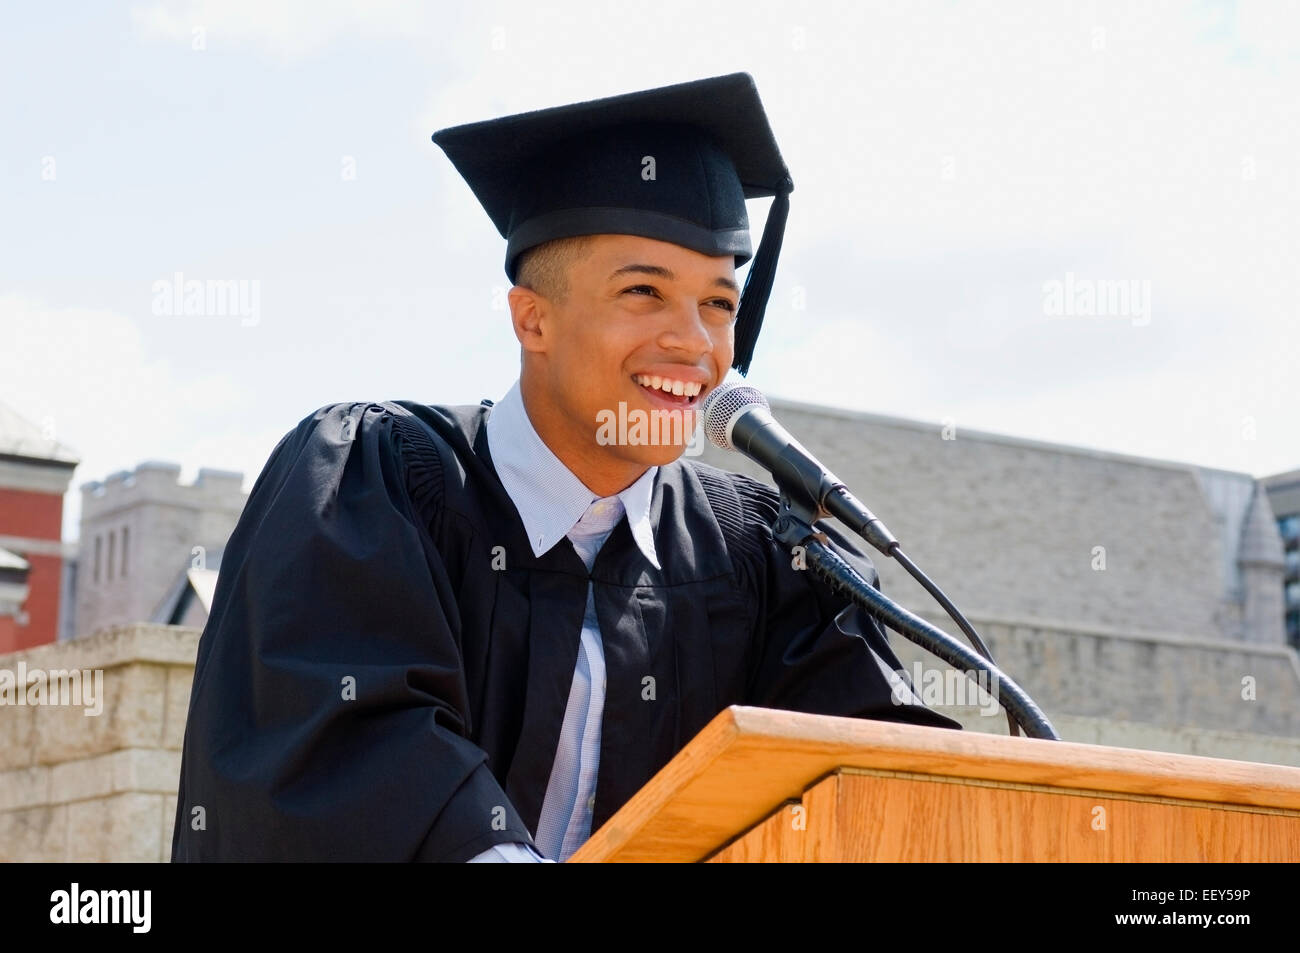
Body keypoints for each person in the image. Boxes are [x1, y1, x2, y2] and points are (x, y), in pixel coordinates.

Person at [171, 72, 959, 864]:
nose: (694, 341)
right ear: (533, 318)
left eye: (719, 303)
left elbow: (874, 777)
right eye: (644, 291)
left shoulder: (758, 558)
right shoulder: (376, 485)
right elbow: (345, 749)